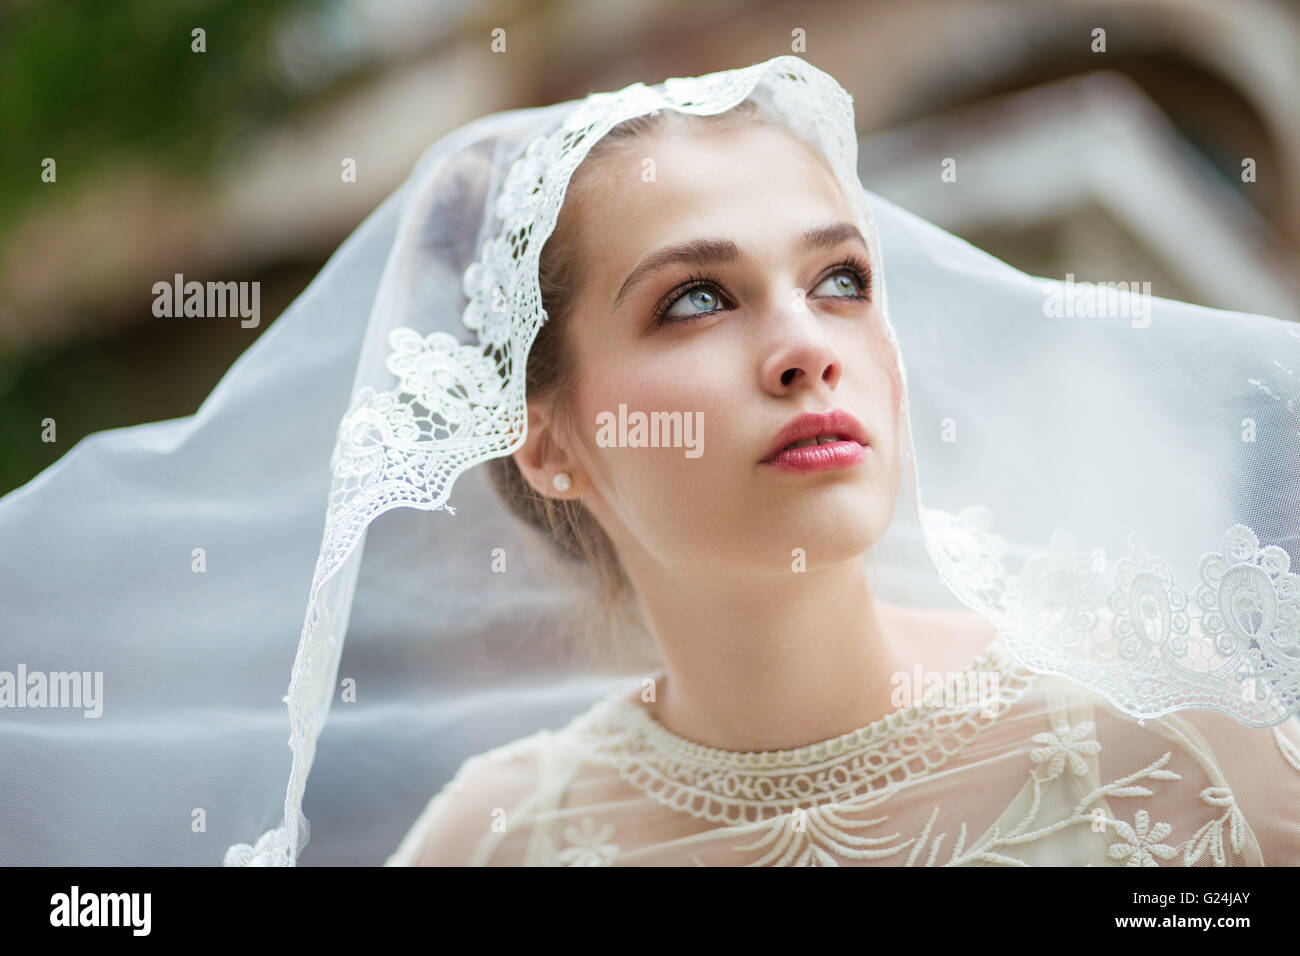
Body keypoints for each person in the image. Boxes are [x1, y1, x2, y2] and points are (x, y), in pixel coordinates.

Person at [2, 56, 1296, 868]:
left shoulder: (1187, 743)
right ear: (551, 437)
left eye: (841, 281)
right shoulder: (493, 844)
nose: (804, 350)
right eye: (694, 301)